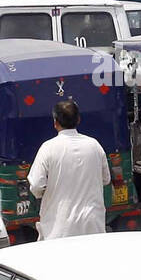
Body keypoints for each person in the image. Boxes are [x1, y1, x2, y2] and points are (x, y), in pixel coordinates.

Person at [28, 99, 110, 240]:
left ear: (55, 122)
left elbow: (36, 185)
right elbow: (106, 179)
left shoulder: (48, 148)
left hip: (59, 229)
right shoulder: (94, 145)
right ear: (78, 120)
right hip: (93, 226)